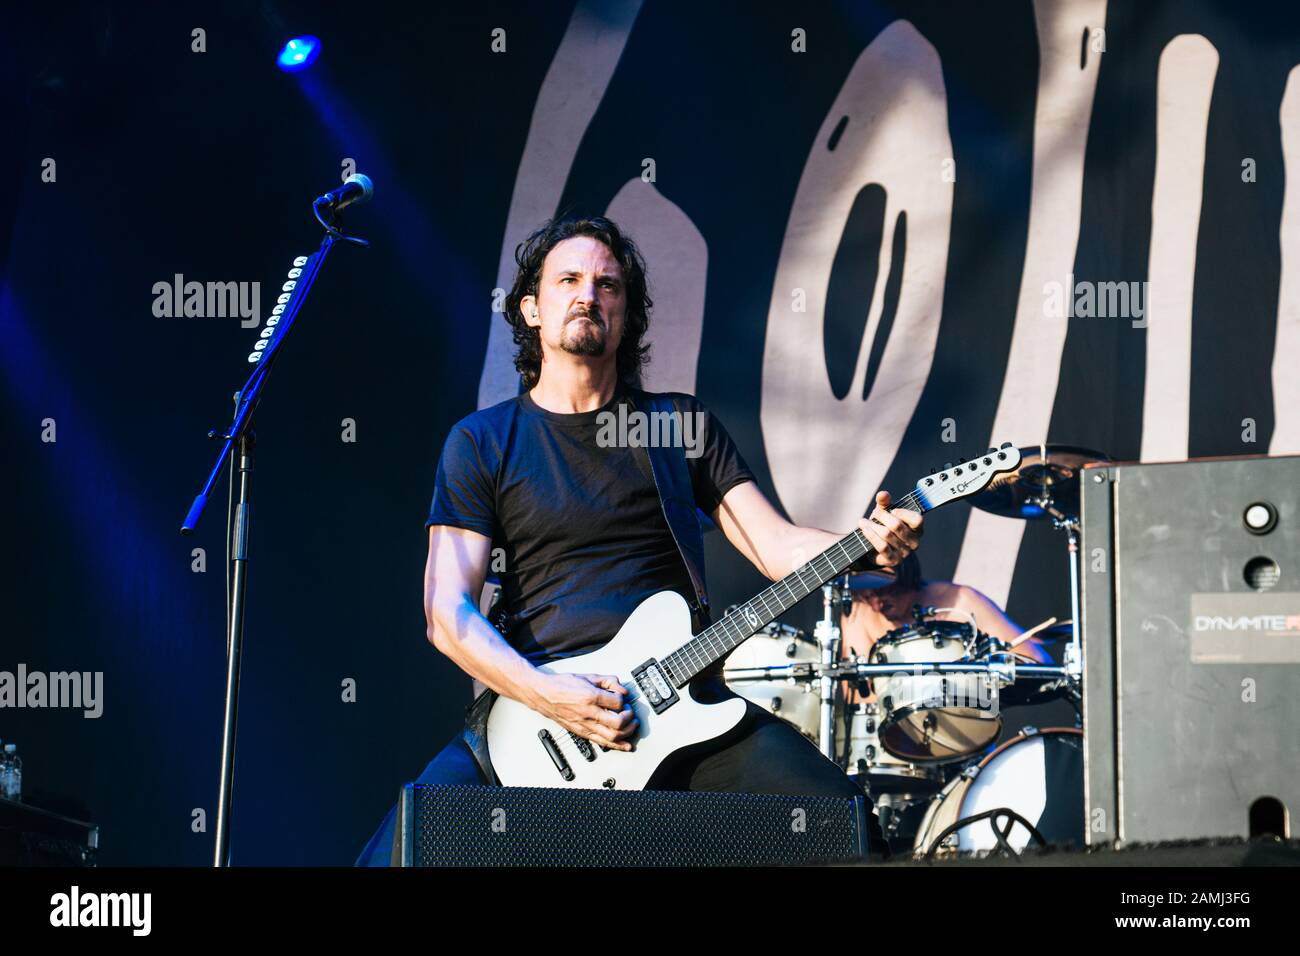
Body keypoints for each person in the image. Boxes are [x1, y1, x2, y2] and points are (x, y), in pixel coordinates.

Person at [355, 215, 924, 865]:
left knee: (840, 827)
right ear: (531, 309)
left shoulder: (676, 426)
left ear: (626, 316)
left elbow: (778, 548)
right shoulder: (483, 441)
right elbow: (446, 614)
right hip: (532, 721)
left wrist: (864, 541)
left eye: (608, 285)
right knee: (397, 854)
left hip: (683, 708)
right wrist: (548, 695)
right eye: (568, 279)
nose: (588, 295)